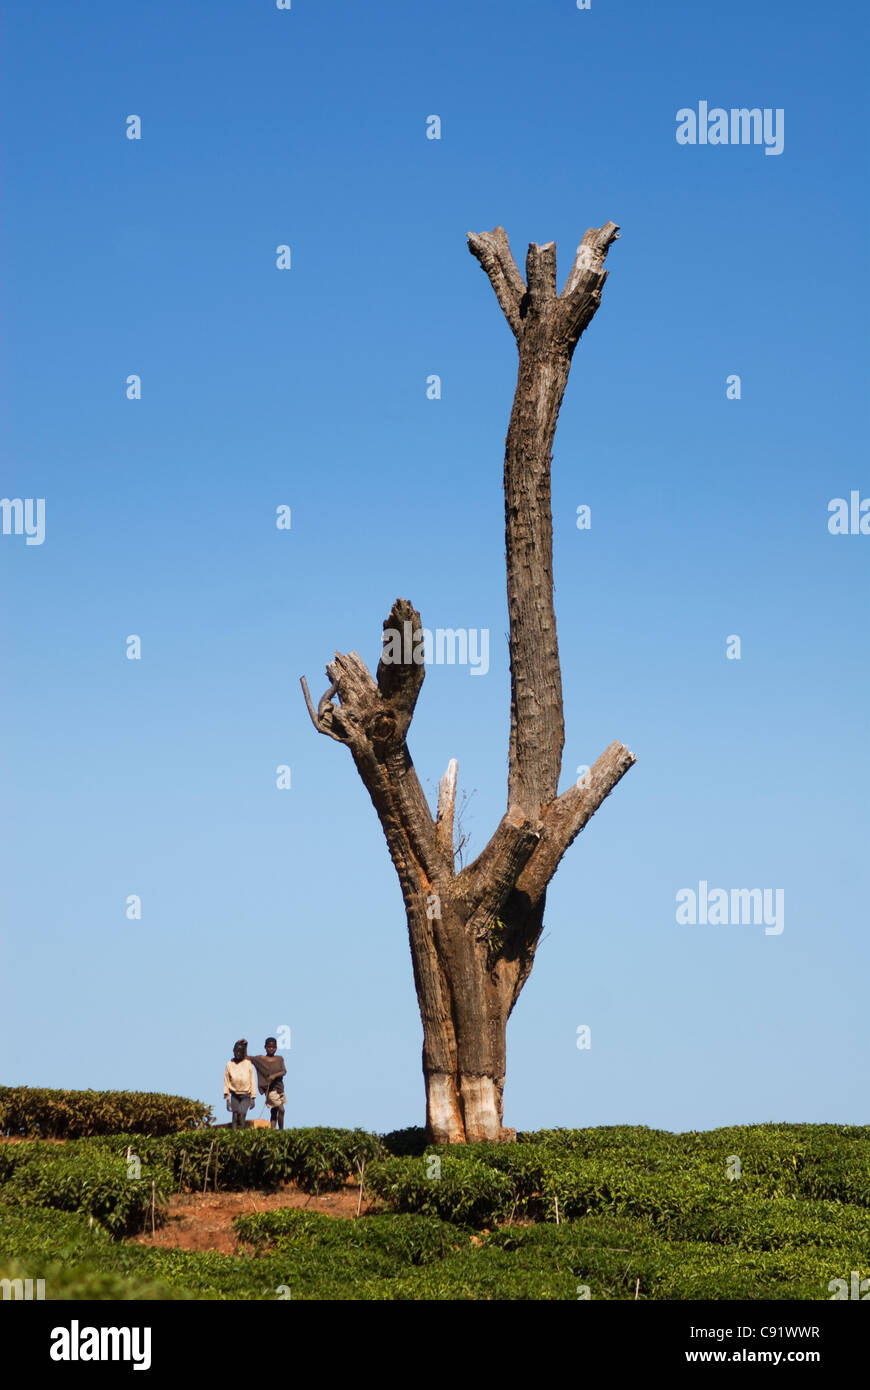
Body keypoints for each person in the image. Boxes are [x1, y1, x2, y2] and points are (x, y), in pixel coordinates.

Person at [251, 1037, 287, 1130]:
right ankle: (281, 1130)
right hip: (270, 1090)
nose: (271, 1049)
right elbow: (248, 1058)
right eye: (269, 1047)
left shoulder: (279, 1059)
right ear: (265, 1047)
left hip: (279, 1088)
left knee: (274, 1111)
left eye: (274, 1047)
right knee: (281, 1109)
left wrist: (274, 1076)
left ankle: (273, 1130)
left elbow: (284, 1071)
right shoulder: (260, 1059)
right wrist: (244, 1046)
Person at [223, 1039, 257, 1128]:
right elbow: (226, 1081)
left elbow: (252, 1081)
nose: (238, 1054)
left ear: (243, 1053)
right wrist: (227, 1099)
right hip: (234, 1094)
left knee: (241, 1114)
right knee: (235, 1115)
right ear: (233, 1051)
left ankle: (241, 1133)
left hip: (246, 1095)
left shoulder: (248, 1063)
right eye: (236, 1051)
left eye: (240, 1052)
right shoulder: (229, 1064)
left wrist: (253, 1098)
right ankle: (234, 1135)